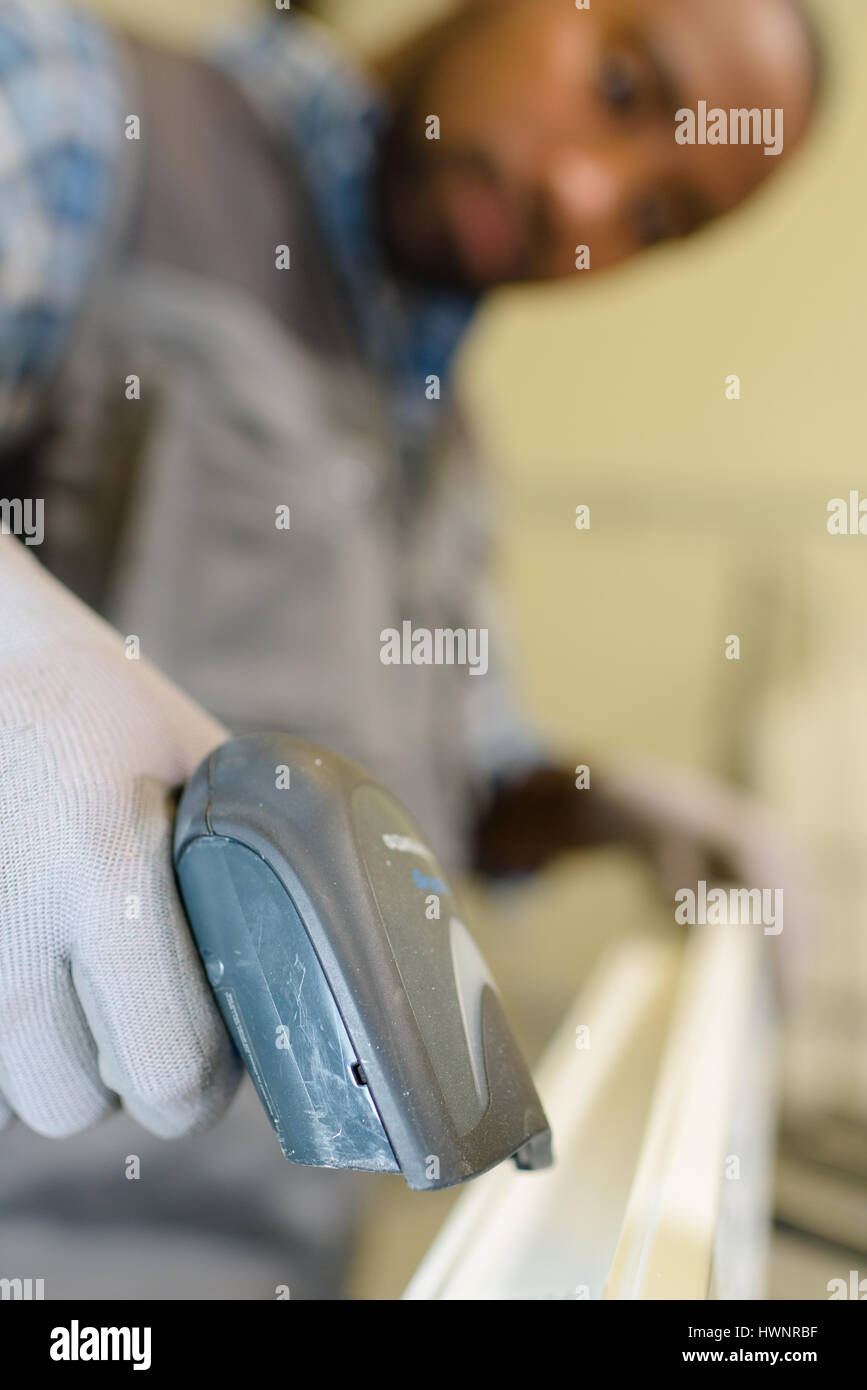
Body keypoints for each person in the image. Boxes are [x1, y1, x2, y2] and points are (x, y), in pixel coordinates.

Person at [0, 0, 819, 1298]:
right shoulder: (72, 106)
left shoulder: (447, 446)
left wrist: (610, 806)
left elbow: (461, 791)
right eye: (620, 84)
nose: (584, 194)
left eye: (658, 220)